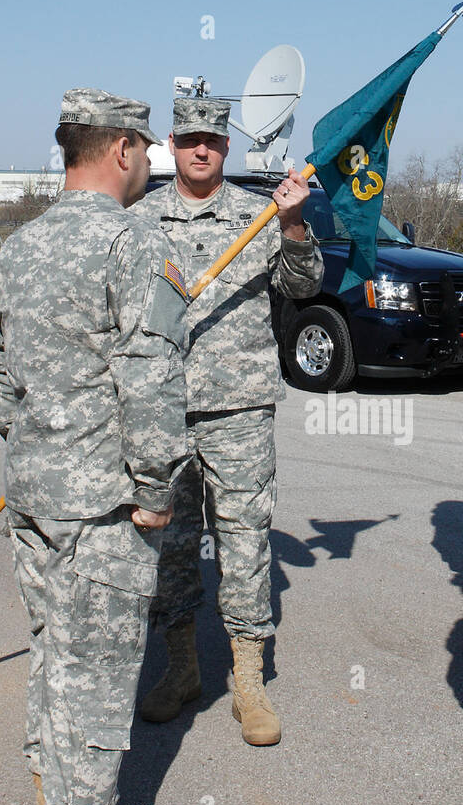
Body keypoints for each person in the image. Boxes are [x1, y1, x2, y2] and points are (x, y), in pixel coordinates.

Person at [0, 88, 192, 805]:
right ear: (124, 150)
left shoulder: (24, 243)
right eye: (146, 151)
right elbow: (151, 374)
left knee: (53, 655)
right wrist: (155, 484)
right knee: (98, 659)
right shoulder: (133, 243)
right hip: (103, 499)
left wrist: (32, 434)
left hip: (34, 488)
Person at [135, 95, 323, 744]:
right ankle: (182, 667)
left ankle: (249, 681)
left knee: (245, 543)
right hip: (164, 411)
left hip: (240, 409)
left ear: (226, 146)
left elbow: (304, 287)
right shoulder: (139, 221)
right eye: (189, 139)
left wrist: (294, 226)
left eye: (212, 140)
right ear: (172, 142)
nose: (201, 149)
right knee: (172, 545)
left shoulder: (259, 213)